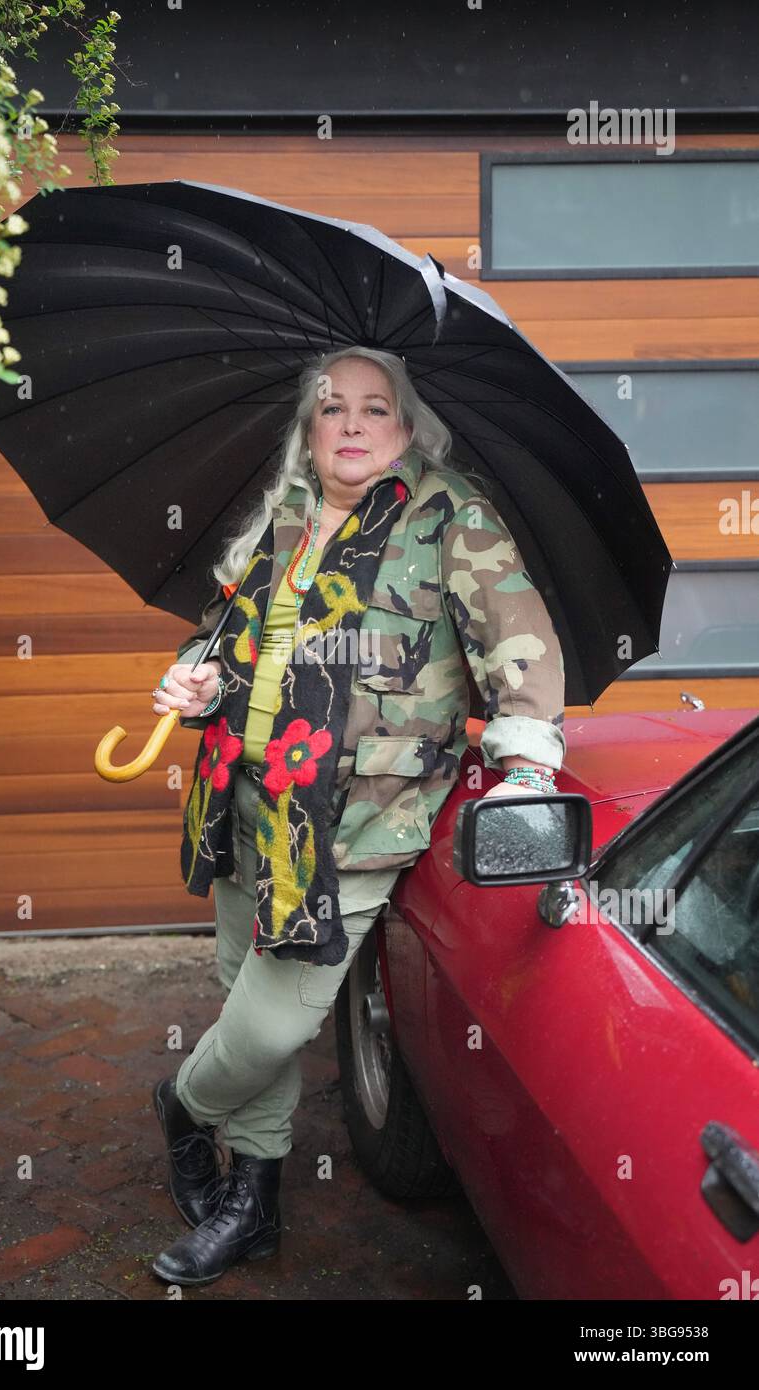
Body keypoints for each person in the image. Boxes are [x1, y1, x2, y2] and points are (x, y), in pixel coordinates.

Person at [148, 345, 567, 1287]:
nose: (349, 425)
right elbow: (232, 639)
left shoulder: (449, 518)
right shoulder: (284, 517)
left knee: (275, 1026)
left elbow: (522, 656)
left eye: (374, 409)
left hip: (357, 823)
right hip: (244, 804)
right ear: (309, 428)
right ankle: (253, 1206)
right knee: (242, 999)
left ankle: (182, 1106)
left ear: (408, 427)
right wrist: (202, 679)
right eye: (331, 408)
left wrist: (525, 772)